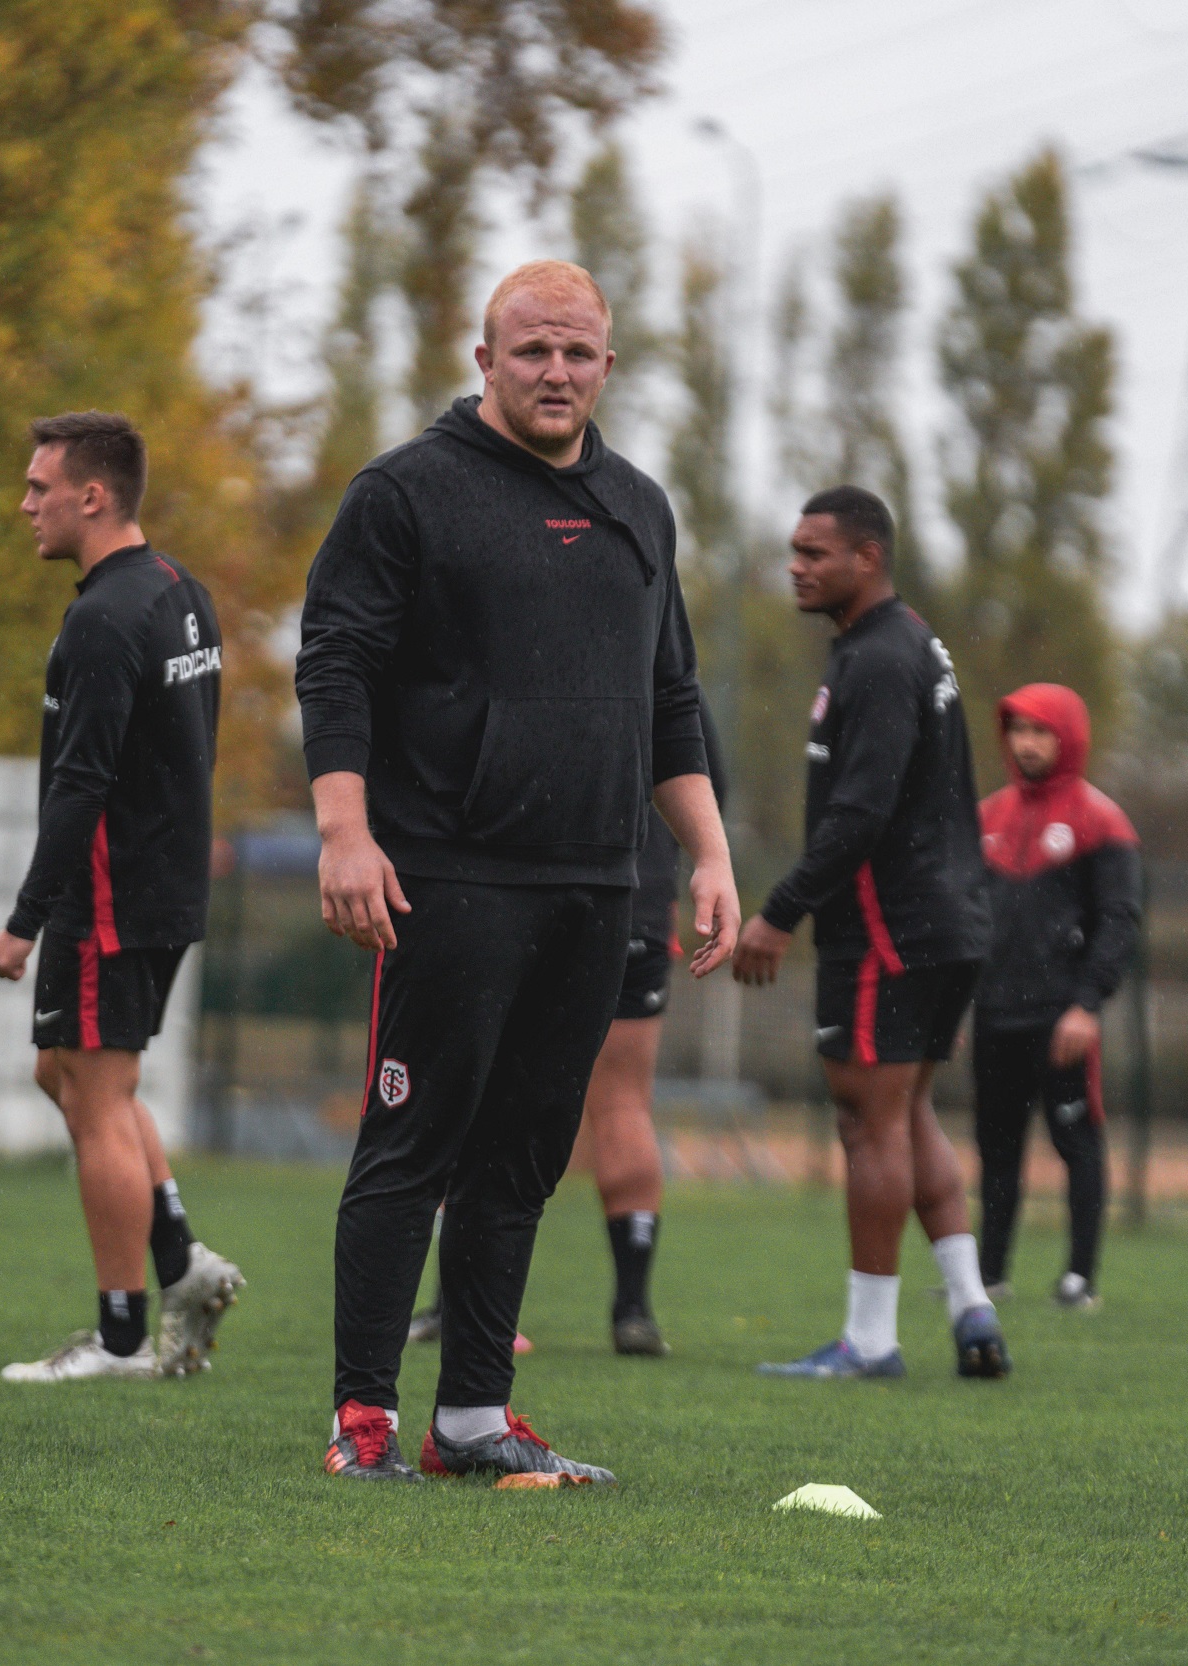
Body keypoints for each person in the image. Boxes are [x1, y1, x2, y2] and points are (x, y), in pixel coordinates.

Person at [298, 260, 737, 1483]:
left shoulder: (640, 508)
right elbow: (332, 665)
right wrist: (346, 829)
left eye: (578, 352)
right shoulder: (405, 493)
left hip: (599, 883)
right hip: (444, 875)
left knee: (529, 1152)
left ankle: (474, 1418)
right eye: (531, 351)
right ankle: (365, 1418)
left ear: (608, 363)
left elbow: (670, 698)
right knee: (411, 1141)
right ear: (482, 360)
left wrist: (706, 854)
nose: (556, 372)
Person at [0, 411, 245, 1383]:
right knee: (70, 1072)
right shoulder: (184, 594)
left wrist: (22, 921)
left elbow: (80, 785)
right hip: (162, 886)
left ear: (91, 496)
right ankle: (179, 1259)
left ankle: (122, 1336)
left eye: (37, 487)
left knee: (94, 1096)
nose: (25, 505)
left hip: (108, 896)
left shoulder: (100, 620)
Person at [735, 487, 1007, 1383]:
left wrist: (779, 912)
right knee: (906, 1110)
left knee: (865, 1122)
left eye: (816, 553)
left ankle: (871, 1340)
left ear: (868, 558)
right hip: (945, 918)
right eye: (794, 550)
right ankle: (971, 1307)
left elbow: (861, 813)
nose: (797, 567)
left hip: (893, 925)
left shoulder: (882, 658)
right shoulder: (901, 644)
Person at [408, 718, 730, 1359]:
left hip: (528, 894)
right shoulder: (668, 672)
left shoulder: (542, 637)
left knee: (481, 1094)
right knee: (623, 1106)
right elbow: (699, 785)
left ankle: (463, 1304)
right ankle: (631, 1308)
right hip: (633, 902)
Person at [973, 683, 1141, 1313]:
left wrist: (1087, 1004)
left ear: (1068, 738)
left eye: (1041, 732)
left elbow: (1120, 922)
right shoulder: (986, 817)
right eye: (1018, 730)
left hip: (1061, 1016)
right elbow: (969, 915)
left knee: (1076, 1143)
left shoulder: (1101, 821)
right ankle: (988, 1275)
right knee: (996, 1147)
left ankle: (1079, 1278)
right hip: (994, 1013)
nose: (1027, 744)